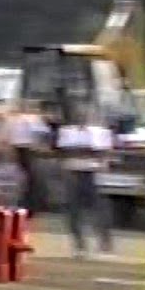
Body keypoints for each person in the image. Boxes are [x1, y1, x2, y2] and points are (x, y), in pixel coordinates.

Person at [54, 104, 115, 258]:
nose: (82, 117)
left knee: (99, 210)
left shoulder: (100, 133)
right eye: (79, 114)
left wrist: (100, 163)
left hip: (92, 174)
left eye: (85, 114)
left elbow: (105, 154)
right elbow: (62, 153)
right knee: (74, 211)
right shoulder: (67, 132)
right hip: (73, 173)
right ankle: (79, 245)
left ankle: (104, 243)